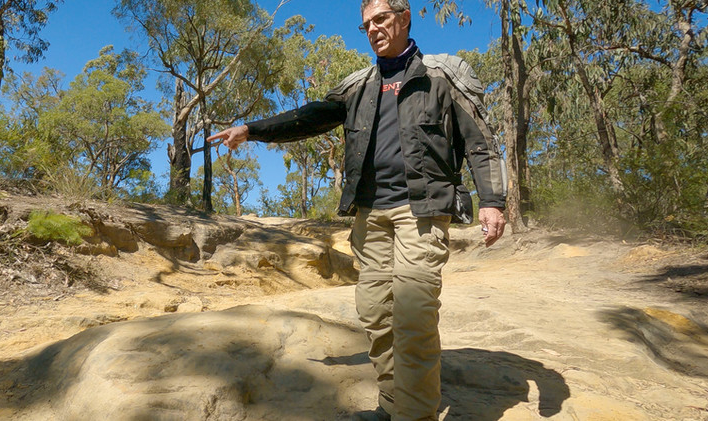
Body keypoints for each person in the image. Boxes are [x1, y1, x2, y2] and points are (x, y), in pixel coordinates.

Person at [207, 0, 507, 419]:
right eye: (366, 24)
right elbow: (309, 117)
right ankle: (390, 404)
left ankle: (415, 415)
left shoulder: (442, 75)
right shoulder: (358, 86)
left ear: (404, 18)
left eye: (381, 19)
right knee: (376, 314)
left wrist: (493, 201)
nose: (372, 29)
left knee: (413, 315)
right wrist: (252, 130)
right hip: (371, 214)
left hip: (419, 212)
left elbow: (479, 140)